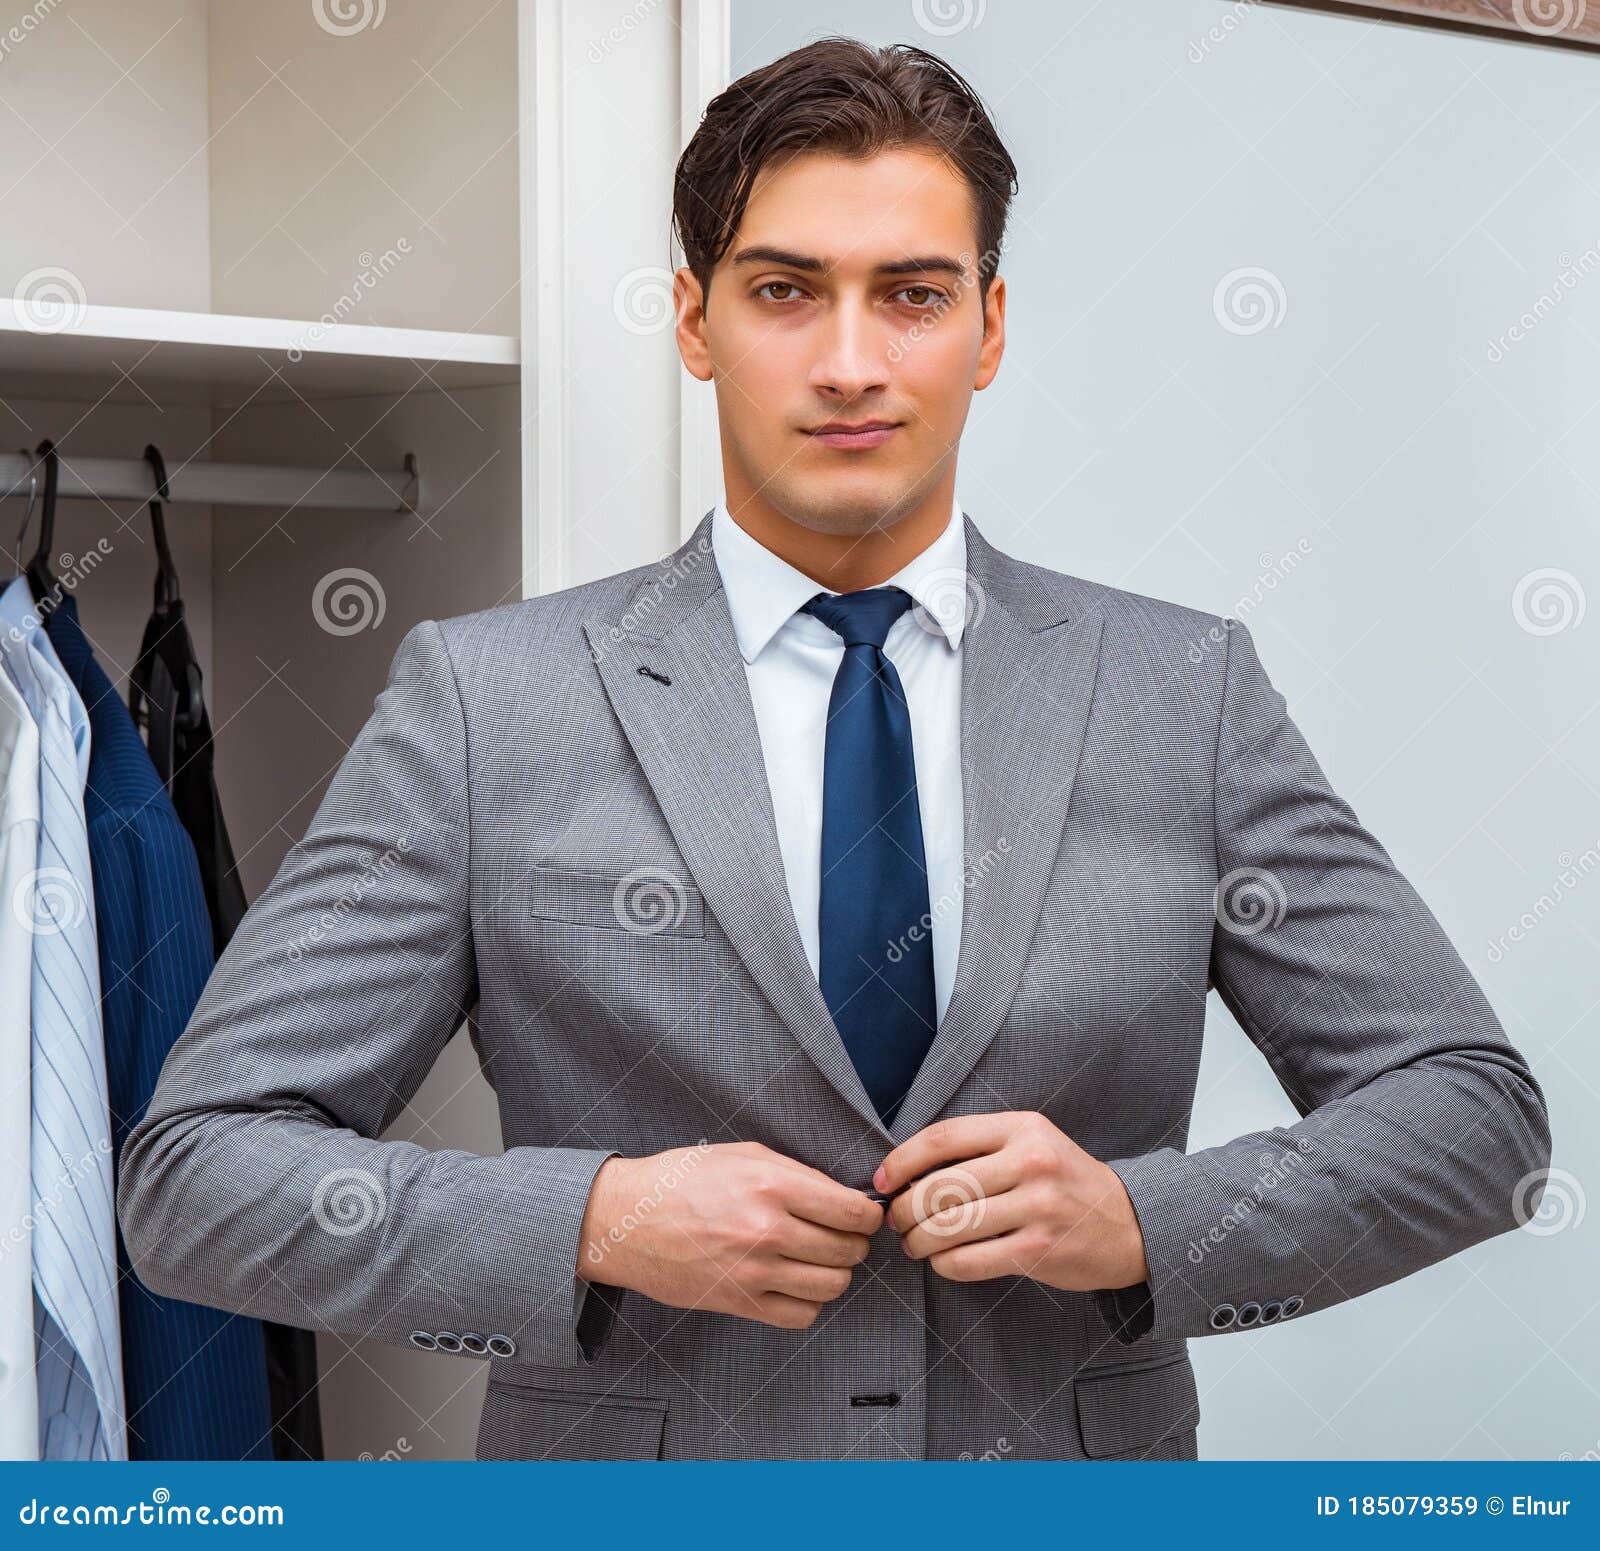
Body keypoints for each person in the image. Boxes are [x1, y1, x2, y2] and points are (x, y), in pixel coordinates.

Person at [118, 36, 1551, 1462]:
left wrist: (1137, 1223)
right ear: (695, 322)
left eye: (914, 297)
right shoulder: (489, 704)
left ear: (991, 328)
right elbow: (199, 1178)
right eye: (786, 292)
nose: (851, 364)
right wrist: (594, 1220)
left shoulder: (1183, 689)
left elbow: (1473, 1120)